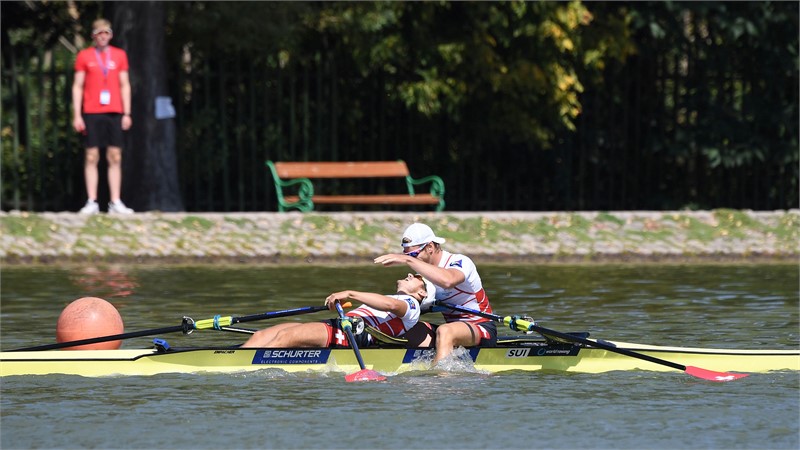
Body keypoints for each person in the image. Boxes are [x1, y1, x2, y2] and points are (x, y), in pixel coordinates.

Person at [373, 223, 497, 364]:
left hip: (481, 328)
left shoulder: (459, 261)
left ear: (430, 247)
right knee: (402, 326)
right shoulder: (423, 275)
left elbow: (448, 281)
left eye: (413, 255)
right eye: (406, 255)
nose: (410, 260)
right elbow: (408, 306)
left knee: (445, 331)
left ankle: (439, 379)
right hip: (452, 329)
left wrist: (407, 259)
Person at [240, 274, 436, 349]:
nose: (410, 274)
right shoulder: (395, 297)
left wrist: (350, 293)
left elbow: (391, 306)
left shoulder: (412, 305)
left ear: (422, 292)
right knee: (262, 334)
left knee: (286, 337)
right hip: (342, 326)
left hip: (354, 335)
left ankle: (246, 367)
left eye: (417, 277)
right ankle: (231, 360)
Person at [72, 18, 134, 215]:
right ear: (93, 35)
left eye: (106, 33)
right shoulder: (84, 56)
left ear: (111, 35)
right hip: (91, 111)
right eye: (99, 33)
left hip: (115, 111)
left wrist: (127, 112)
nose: (103, 36)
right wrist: (77, 115)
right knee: (91, 156)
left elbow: (125, 84)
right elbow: (78, 86)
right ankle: (92, 201)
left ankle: (115, 201)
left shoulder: (120, 55)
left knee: (115, 156)